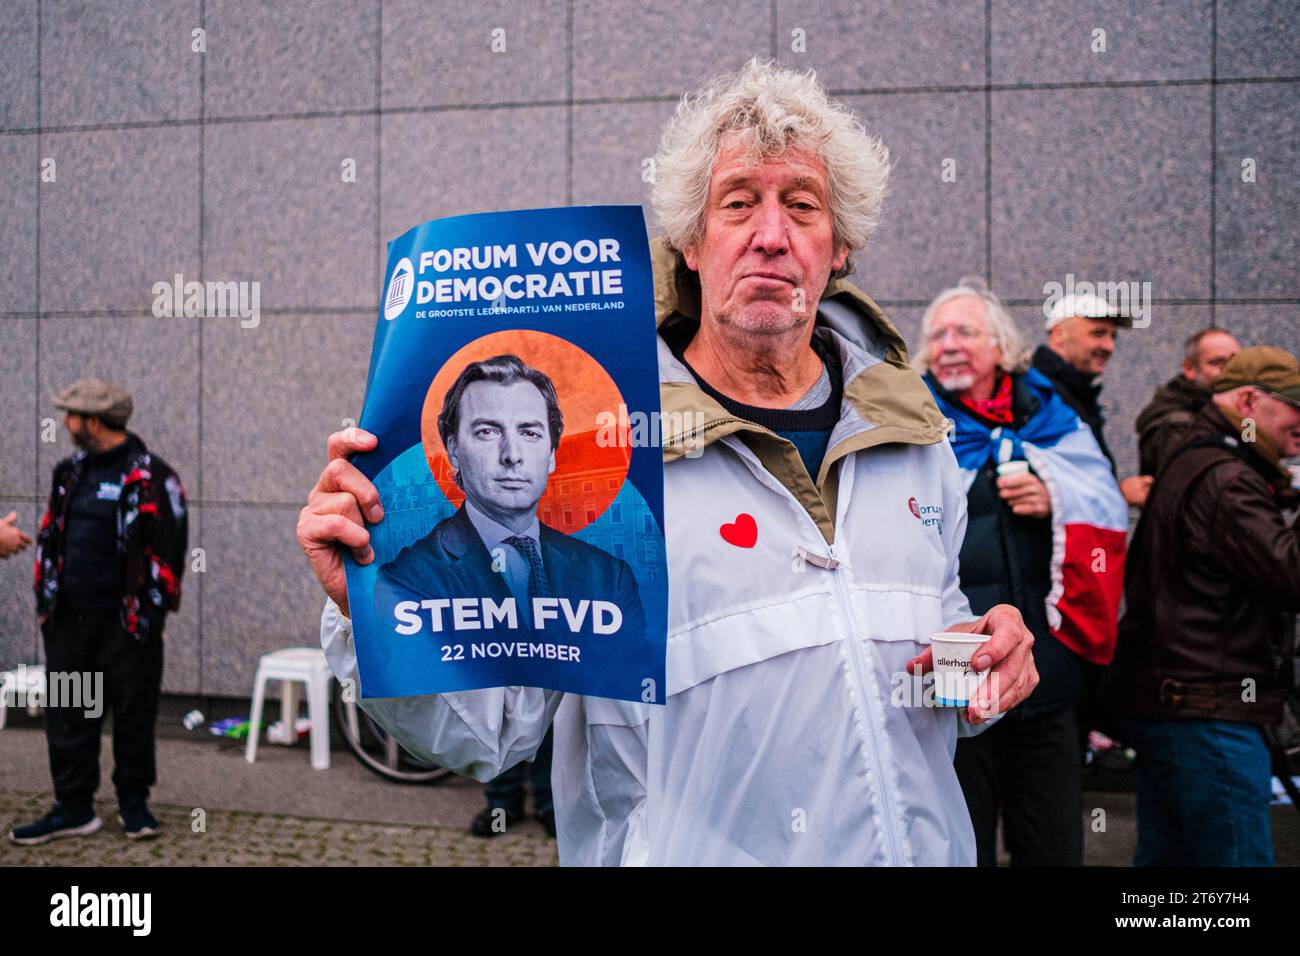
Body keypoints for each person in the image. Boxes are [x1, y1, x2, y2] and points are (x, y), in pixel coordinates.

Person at [298, 58, 1040, 866]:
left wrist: (982, 666)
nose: (770, 235)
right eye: (738, 205)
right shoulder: (597, 458)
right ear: (690, 241)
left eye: (802, 205)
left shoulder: (915, 438)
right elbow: (490, 731)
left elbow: (915, 681)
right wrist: (369, 605)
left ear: (841, 247)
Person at [374, 355, 645, 838]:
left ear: (554, 453)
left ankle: (546, 806)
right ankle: (500, 804)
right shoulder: (412, 577)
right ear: (452, 451)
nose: (512, 454)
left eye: (530, 432)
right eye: (486, 432)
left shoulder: (608, 576)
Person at [913, 279, 1127, 865]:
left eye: (965, 332)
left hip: (1047, 667)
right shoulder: (913, 421)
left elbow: (1103, 499)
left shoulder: (1050, 413)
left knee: (1053, 841)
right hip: (957, 664)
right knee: (964, 838)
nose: (949, 345)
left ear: (1000, 345)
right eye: (938, 336)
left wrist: (1055, 494)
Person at [1103, 346, 1300, 867]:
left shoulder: (1201, 459)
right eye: (1294, 405)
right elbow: (1293, 576)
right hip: (1210, 718)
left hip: (1181, 710)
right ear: (1251, 400)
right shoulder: (1227, 477)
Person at [10, 378, 188, 846]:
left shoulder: (153, 476)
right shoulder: (67, 472)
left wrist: (149, 613)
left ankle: (134, 804)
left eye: (70, 415)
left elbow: (170, 549)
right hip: (70, 622)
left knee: (133, 715)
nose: (64, 423)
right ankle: (73, 807)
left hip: (128, 626)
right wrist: (48, 605)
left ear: (92, 422)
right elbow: (54, 532)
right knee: (70, 713)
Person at [1032, 294, 1149, 506]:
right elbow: (1048, 484)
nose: (1109, 346)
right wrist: (1117, 494)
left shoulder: (1071, 390)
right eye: (1098, 333)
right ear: (1059, 335)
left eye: (1113, 336)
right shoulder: (1039, 393)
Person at [1135, 327, 1240, 479]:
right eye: (1217, 362)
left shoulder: (1228, 412)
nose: (1230, 371)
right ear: (1189, 368)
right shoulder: (1178, 426)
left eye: (1236, 362)